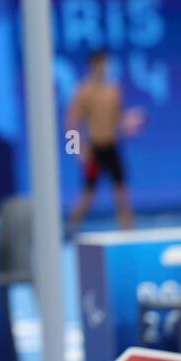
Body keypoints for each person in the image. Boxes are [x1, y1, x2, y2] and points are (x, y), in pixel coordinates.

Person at [64, 50, 146, 232]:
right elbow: (71, 122)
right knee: (88, 194)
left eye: (106, 64)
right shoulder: (83, 91)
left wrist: (131, 123)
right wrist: (76, 150)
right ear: (92, 66)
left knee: (122, 191)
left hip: (112, 147)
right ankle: (69, 229)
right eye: (100, 64)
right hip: (94, 150)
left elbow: (118, 118)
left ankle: (128, 233)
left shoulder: (114, 90)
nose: (103, 68)